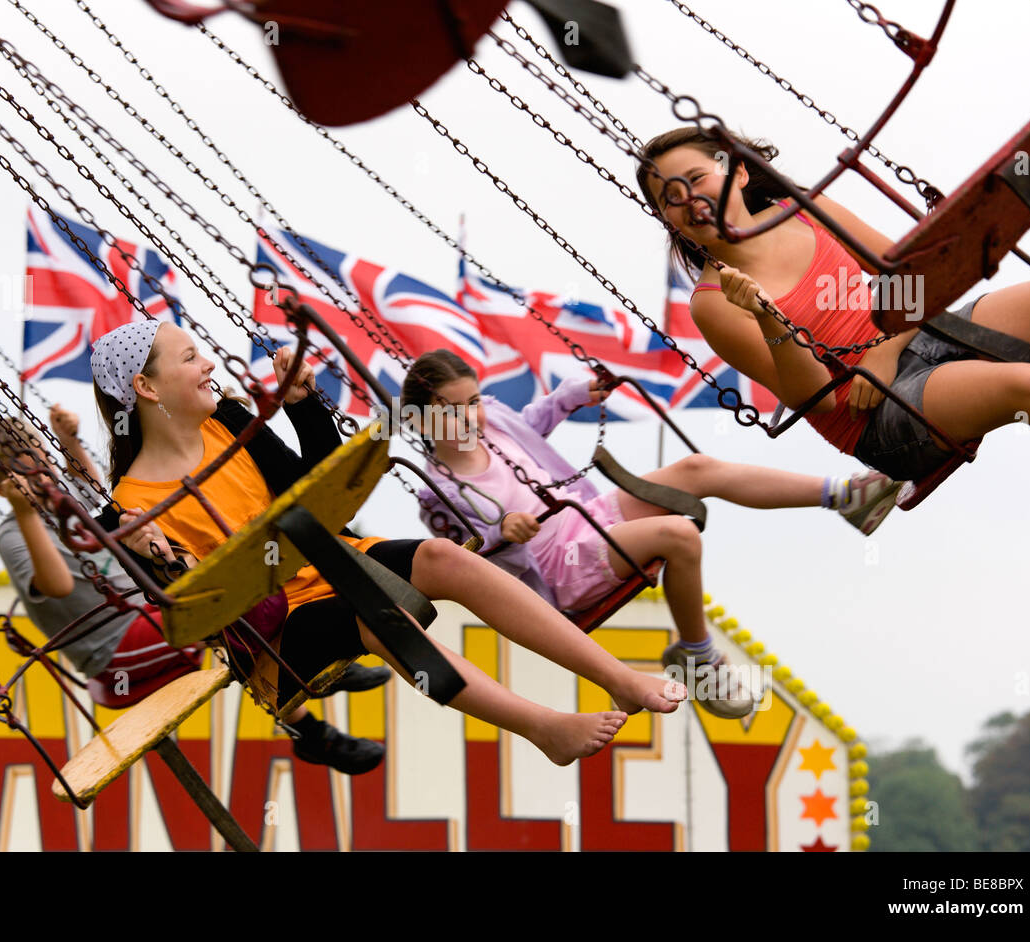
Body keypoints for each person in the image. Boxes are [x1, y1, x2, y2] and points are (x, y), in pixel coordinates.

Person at [90, 319, 696, 767]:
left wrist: (303, 408)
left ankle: (615, 676)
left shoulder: (226, 421)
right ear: (146, 387)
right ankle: (543, 728)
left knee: (442, 556)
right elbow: (198, 620)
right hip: (276, 638)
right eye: (191, 357)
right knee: (380, 619)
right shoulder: (129, 507)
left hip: (332, 560)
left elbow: (318, 498)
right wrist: (169, 561)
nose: (209, 366)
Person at [403, 349, 896, 718]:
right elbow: (468, 557)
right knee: (679, 536)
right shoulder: (436, 490)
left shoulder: (492, 420)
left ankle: (848, 497)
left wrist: (571, 397)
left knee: (697, 468)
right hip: (560, 570)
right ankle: (699, 658)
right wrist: (502, 533)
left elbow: (531, 423)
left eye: (472, 401)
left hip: (587, 515)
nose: (470, 416)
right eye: (451, 409)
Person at [637, 126, 1030, 484]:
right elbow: (813, 398)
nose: (687, 199)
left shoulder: (802, 210)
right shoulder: (714, 303)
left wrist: (884, 350)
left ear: (740, 173)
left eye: (696, 179)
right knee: (1028, 387)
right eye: (668, 199)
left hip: (909, 336)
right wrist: (767, 316)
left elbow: (915, 275)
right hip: (875, 416)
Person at [0, 405, 392, 776]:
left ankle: (309, 707)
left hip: (147, 618)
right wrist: (23, 511)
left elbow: (98, 499)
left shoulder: (67, 499)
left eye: (42, 458)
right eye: (24, 468)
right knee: (221, 609)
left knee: (225, 599)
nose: (40, 472)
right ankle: (308, 693)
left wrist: (70, 442)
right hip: (113, 648)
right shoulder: (13, 533)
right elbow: (58, 584)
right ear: (3, 485)